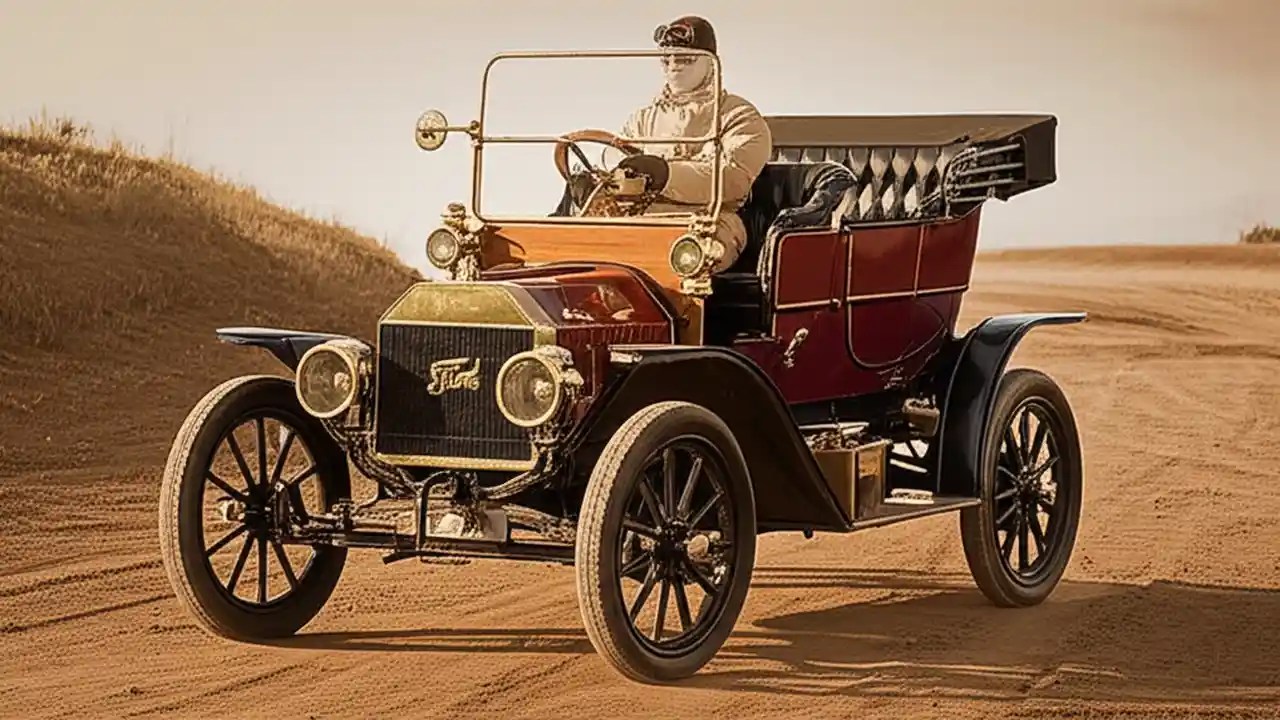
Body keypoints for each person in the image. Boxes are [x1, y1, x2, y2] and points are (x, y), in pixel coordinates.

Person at [615, 15, 773, 274]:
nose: (674, 65)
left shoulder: (738, 115)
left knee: (690, 255)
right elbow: (618, 153)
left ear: (711, 63)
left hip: (710, 218)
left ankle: (685, 313)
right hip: (644, 216)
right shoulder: (644, 118)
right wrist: (602, 178)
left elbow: (732, 178)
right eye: (667, 59)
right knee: (586, 243)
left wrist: (666, 174)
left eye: (685, 58)